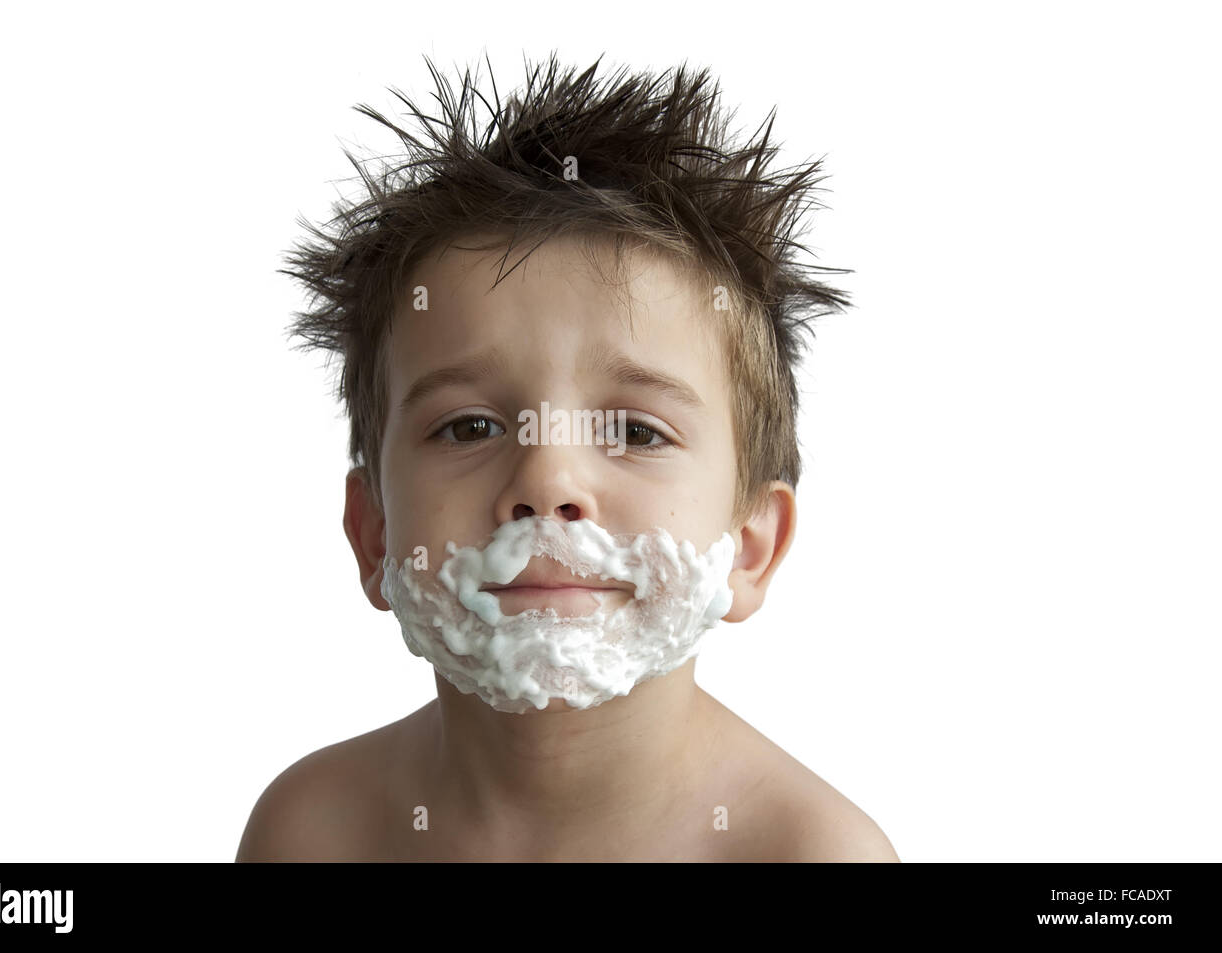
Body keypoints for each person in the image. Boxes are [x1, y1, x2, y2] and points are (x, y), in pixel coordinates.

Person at [236, 52, 899, 862]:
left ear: (750, 547)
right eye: (469, 427)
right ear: (375, 534)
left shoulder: (810, 854)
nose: (547, 480)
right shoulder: (315, 834)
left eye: (636, 431)